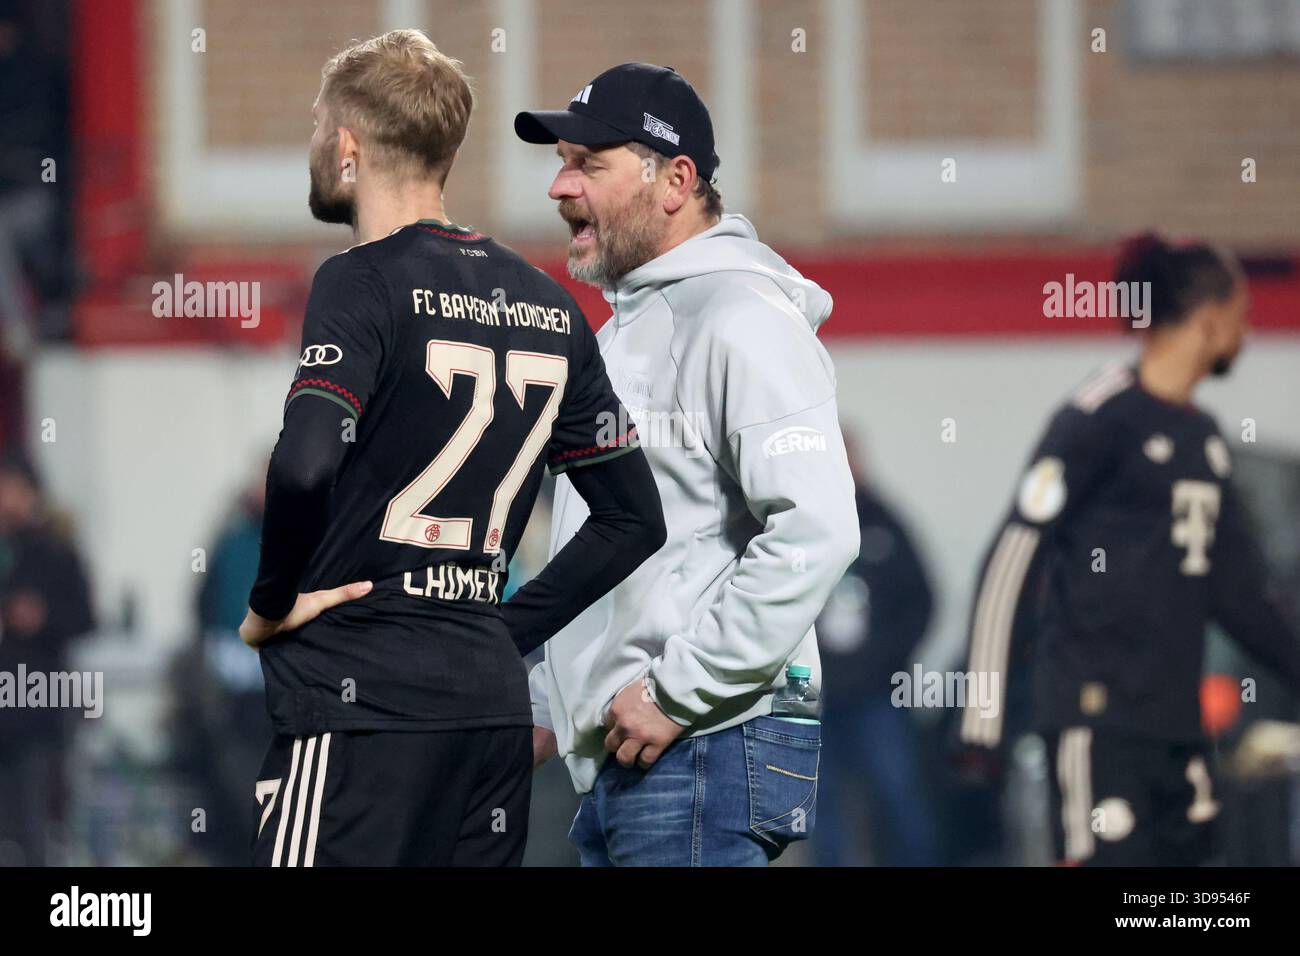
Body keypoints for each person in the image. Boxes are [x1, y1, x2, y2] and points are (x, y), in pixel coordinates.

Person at [241, 31, 664, 867]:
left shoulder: (358, 279)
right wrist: (497, 628)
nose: (316, 149)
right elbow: (634, 519)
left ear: (350, 147)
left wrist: (272, 601)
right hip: (488, 713)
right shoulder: (552, 305)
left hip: (359, 706)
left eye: (319, 130)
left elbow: (303, 463)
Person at [516, 63, 859, 866]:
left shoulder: (740, 316)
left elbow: (818, 531)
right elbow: (627, 564)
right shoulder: (629, 328)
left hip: (699, 746)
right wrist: (544, 705)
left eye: (588, 164)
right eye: (562, 163)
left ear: (675, 180)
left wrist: (677, 691)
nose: (561, 188)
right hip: (642, 752)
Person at [958, 233, 1300, 865]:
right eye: (1243, 314)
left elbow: (1241, 596)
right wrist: (984, 720)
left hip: (1178, 731)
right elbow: (1013, 555)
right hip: (1098, 726)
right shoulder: (1098, 417)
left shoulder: (1206, 441)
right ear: (1209, 320)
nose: (1248, 332)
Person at [814, 439, 939, 866]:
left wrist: (883, 665)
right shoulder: (800, 525)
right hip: (814, 696)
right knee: (821, 808)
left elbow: (921, 602)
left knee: (899, 796)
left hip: (879, 694)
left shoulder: (886, 523)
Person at [0, 453, 95, 865]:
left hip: (36, 707)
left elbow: (86, 616)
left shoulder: (54, 553)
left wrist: (42, 617)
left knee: (34, 825)